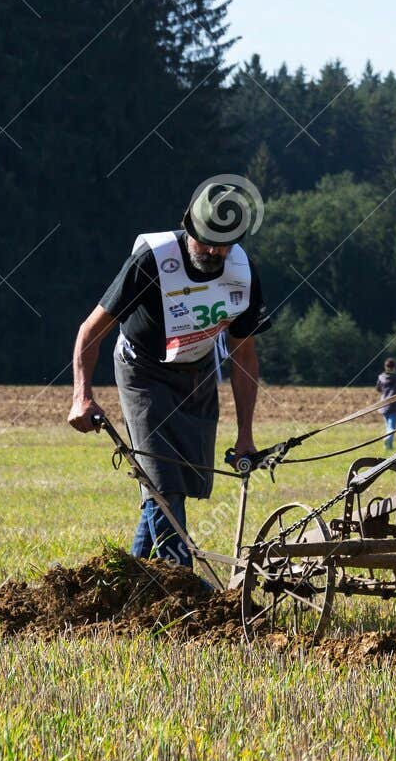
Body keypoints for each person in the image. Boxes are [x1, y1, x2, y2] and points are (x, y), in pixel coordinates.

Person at [67, 180, 270, 572]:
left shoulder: (243, 275)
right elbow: (89, 331)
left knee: (175, 484)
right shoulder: (153, 260)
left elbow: (244, 357)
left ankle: (129, 583)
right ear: (188, 227)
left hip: (196, 375)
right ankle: (182, 587)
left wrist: (245, 435)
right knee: (163, 483)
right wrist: (81, 395)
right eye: (206, 240)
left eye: (224, 243)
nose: (214, 251)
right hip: (143, 373)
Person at [376, 357, 396, 448]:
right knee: (392, 427)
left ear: (385, 366)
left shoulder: (381, 377)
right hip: (394, 405)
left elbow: (378, 389)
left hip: (384, 404)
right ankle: (388, 439)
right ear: (394, 367)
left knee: (387, 425)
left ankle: (388, 446)